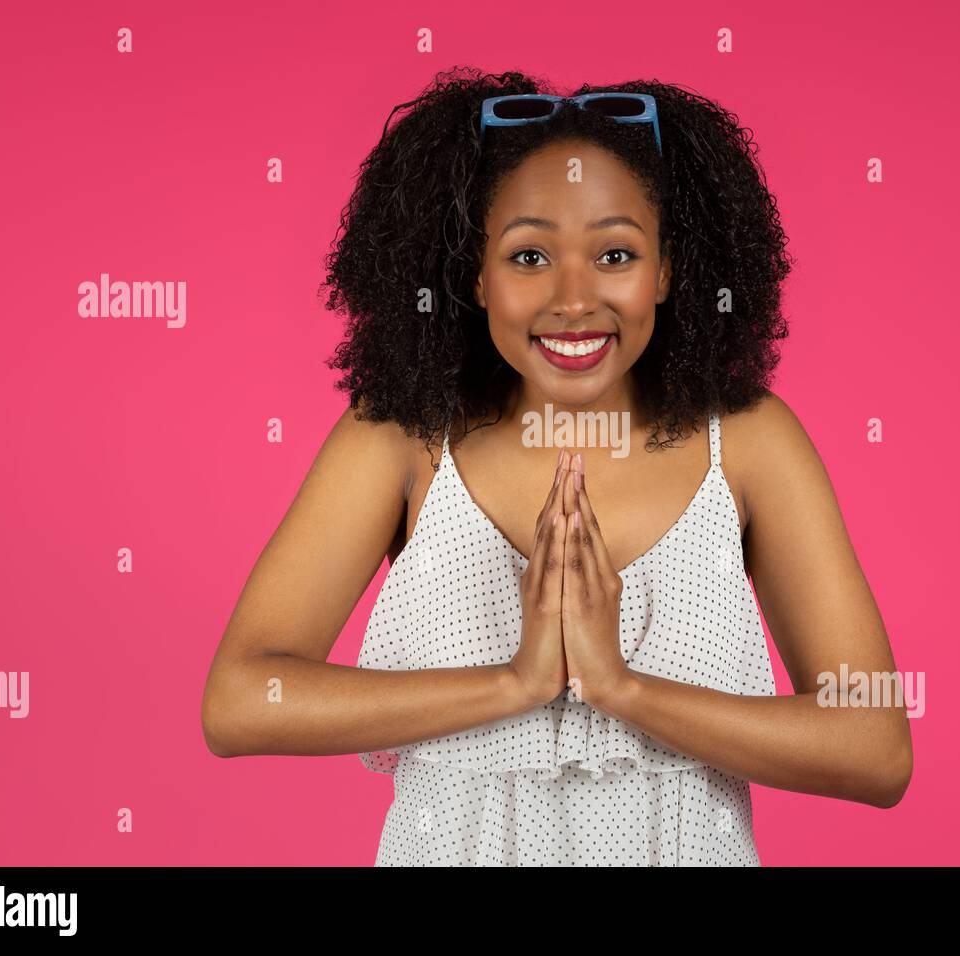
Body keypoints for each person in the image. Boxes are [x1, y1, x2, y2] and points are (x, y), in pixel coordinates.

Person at [201, 66, 912, 866]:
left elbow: (873, 745)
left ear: (668, 270)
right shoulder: (401, 439)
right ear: (473, 274)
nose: (573, 300)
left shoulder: (748, 444)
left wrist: (622, 689)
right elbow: (239, 702)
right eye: (529, 256)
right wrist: (516, 682)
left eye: (615, 253)